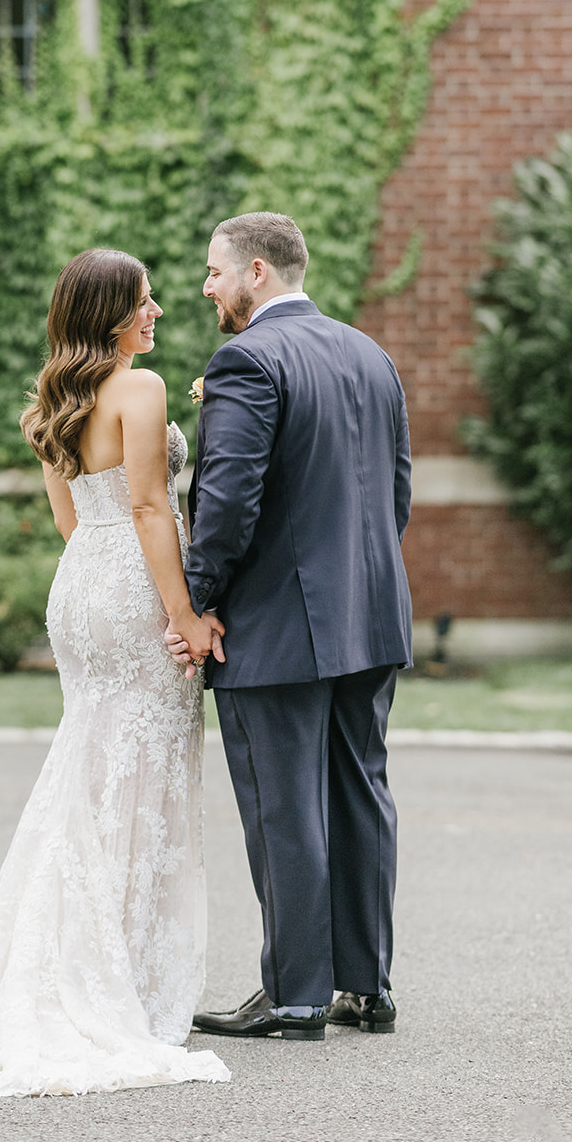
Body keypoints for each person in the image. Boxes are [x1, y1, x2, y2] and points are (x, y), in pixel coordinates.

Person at [0, 248, 230, 1096]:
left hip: (80, 587)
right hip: (136, 584)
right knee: (143, 776)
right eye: (143, 301)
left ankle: (75, 955)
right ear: (109, 313)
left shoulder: (52, 399)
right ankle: (121, 976)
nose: (157, 312)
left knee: (89, 767)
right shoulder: (140, 389)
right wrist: (182, 614)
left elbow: (72, 519)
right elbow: (149, 505)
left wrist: (110, 580)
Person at [166, 213, 412, 1042]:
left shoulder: (246, 359)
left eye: (214, 271)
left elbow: (227, 500)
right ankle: (365, 989)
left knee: (284, 806)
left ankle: (296, 995)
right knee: (359, 794)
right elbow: (395, 495)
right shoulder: (369, 355)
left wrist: (199, 600)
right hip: (369, 616)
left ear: (257, 272)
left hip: (276, 625)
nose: (206, 287)